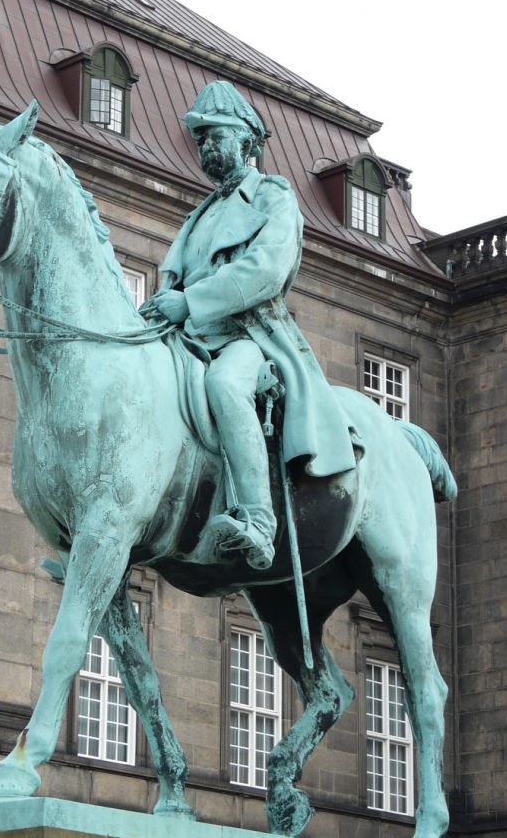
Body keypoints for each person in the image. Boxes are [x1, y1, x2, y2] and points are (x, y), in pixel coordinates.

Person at [143, 81, 358, 570]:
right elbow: (175, 280)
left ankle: (259, 522)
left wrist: (191, 302)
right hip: (189, 335)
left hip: (248, 334)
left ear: (246, 140)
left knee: (224, 385)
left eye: (215, 136)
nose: (205, 148)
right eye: (201, 140)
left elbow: (265, 271)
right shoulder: (200, 214)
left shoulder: (272, 196)